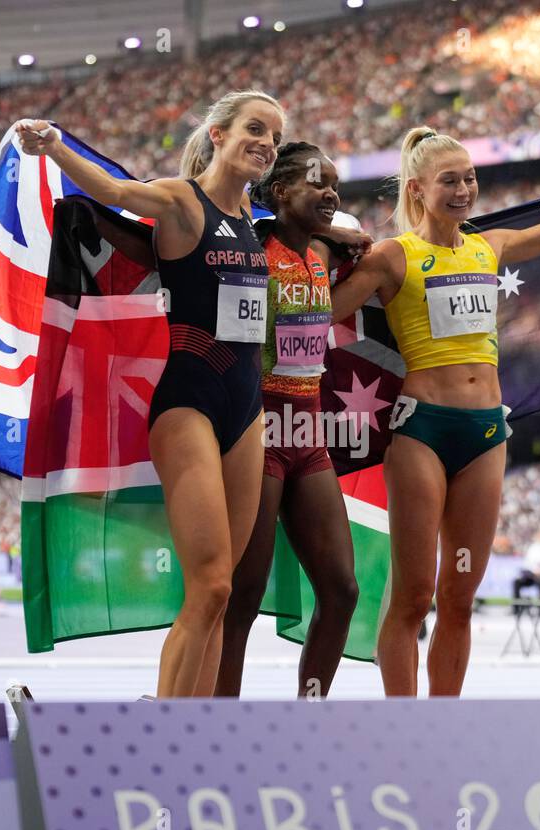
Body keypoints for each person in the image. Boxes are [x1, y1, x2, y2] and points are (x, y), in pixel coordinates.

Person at [330, 130, 540, 696]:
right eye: (451, 180)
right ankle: (401, 721)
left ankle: (444, 724)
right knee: (414, 596)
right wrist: (320, 247)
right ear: (417, 189)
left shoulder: (488, 247)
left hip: (487, 431)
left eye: (470, 177)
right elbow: (316, 313)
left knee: (460, 599)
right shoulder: (393, 257)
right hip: (421, 430)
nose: (466, 189)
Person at [15, 90, 284, 698]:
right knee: (211, 584)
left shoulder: (252, 223)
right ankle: (162, 728)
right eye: (255, 128)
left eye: (274, 135)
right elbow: (115, 193)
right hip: (188, 403)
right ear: (217, 134)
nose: (266, 142)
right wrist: (56, 144)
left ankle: (194, 732)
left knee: (226, 589)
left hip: (246, 412)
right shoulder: (182, 202)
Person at [214, 142, 367, 699]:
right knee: (243, 594)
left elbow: (347, 237)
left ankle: (309, 714)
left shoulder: (324, 255)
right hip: (256, 429)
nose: (330, 194)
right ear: (279, 192)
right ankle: (219, 722)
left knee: (342, 589)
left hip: (307, 431)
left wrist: (341, 234)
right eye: (316, 183)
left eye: (335, 187)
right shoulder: (251, 246)